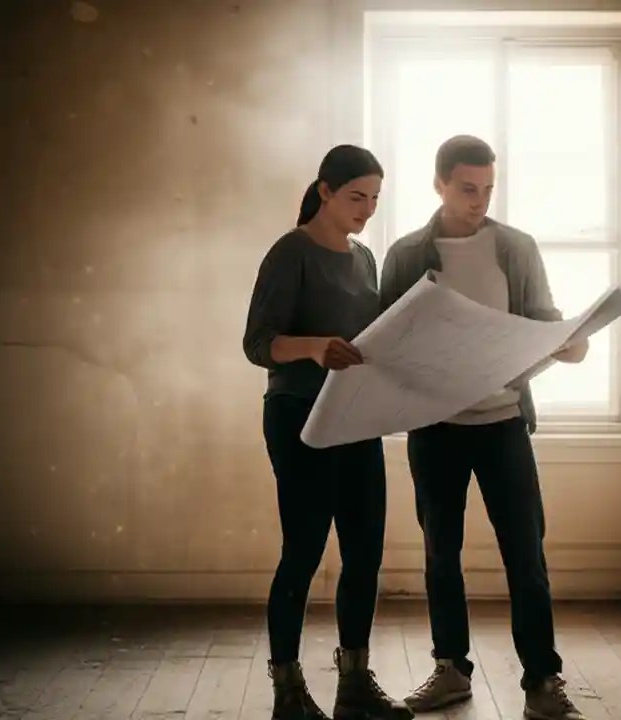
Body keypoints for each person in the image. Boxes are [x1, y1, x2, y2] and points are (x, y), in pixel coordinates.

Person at [378, 135, 589, 720]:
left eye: (488, 188)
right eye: (468, 188)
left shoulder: (515, 248)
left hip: (503, 425)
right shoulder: (405, 255)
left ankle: (542, 683)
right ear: (440, 184)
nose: (479, 200)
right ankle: (450, 671)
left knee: (526, 554)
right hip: (435, 428)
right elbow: (384, 342)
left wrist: (571, 343)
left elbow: (544, 322)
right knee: (440, 554)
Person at [243, 144, 414, 720]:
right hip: (299, 415)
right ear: (324, 191)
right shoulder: (290, 251)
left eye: (373, 199)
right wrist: (316, 347)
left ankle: (354, 685)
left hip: (358, 416)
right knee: (304, 549)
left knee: (364, 551)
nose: (366, 209)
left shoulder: (364, 258)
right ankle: (287, 690)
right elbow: (257, 344)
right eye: (355, 196)